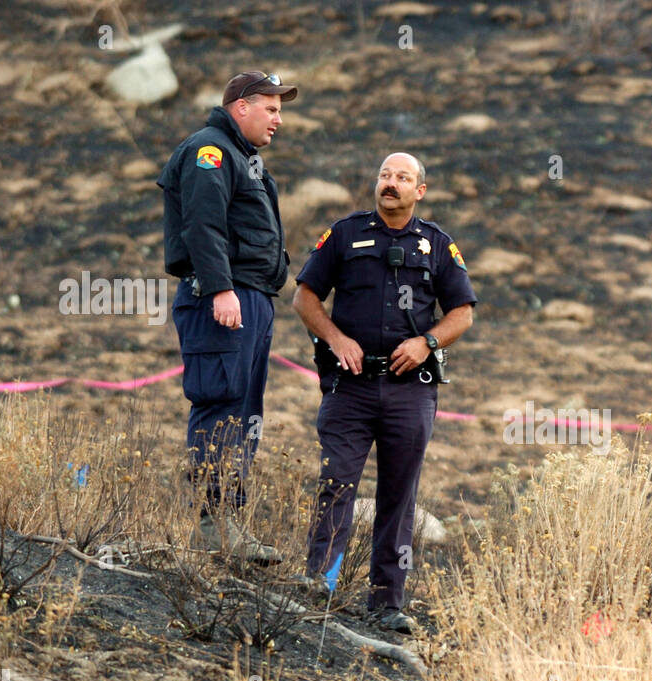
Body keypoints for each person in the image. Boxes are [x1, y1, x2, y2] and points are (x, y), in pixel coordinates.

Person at [293, 152, 476, 631]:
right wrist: (335, 339)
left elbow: (463, 312)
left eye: (403, 178)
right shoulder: (345, 233)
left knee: (400, 495)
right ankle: (320, 584)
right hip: (348, 387)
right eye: (384, 176)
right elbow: (305, 296)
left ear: (420, 191)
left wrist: (427, 342)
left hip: (409, 392)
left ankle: (386, 604)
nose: (390, 184)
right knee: (337, 482)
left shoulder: (436, 244)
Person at [157, 70, 298, 564]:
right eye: (272, 108)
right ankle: (212, 525)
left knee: (244, 411)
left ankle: (229, 525)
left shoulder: (244, 158)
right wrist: (220, 287)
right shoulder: (210, 150)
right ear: (242, 106)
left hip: (251, 299)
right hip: (223, 297)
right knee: (220, 403)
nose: (279, 119)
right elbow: (202, 223)